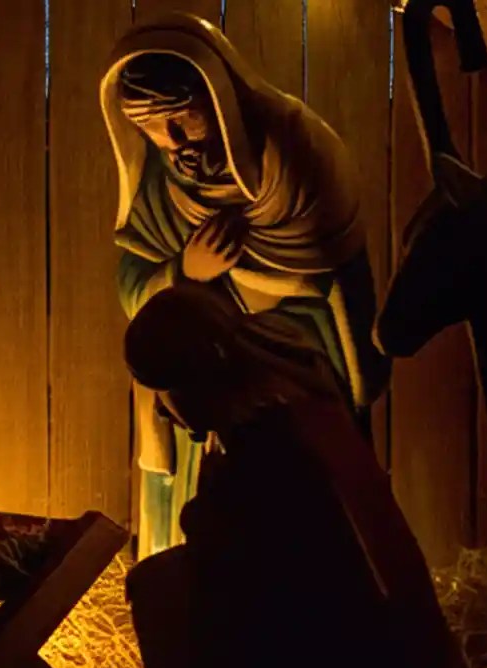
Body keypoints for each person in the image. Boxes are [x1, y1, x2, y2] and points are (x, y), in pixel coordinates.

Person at [100, 12, 389, 554]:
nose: (171, 140)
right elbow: (134, 285)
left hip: (290, 383)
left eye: (183, 117)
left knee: (295, 521)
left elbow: (328, 277)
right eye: (149, 126)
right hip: (198, 387)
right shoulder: (161, 183)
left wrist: (240, 317)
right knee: (204, 526)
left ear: (221, 97)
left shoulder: (296, 159)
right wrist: (185, 274)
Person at [122, 283, 470, 668]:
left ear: (194, 381)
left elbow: (239, 577)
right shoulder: (298, 409)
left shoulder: (267, 451)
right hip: (381, 660)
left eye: (161, 391)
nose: (159, 412)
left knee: (157, 587)